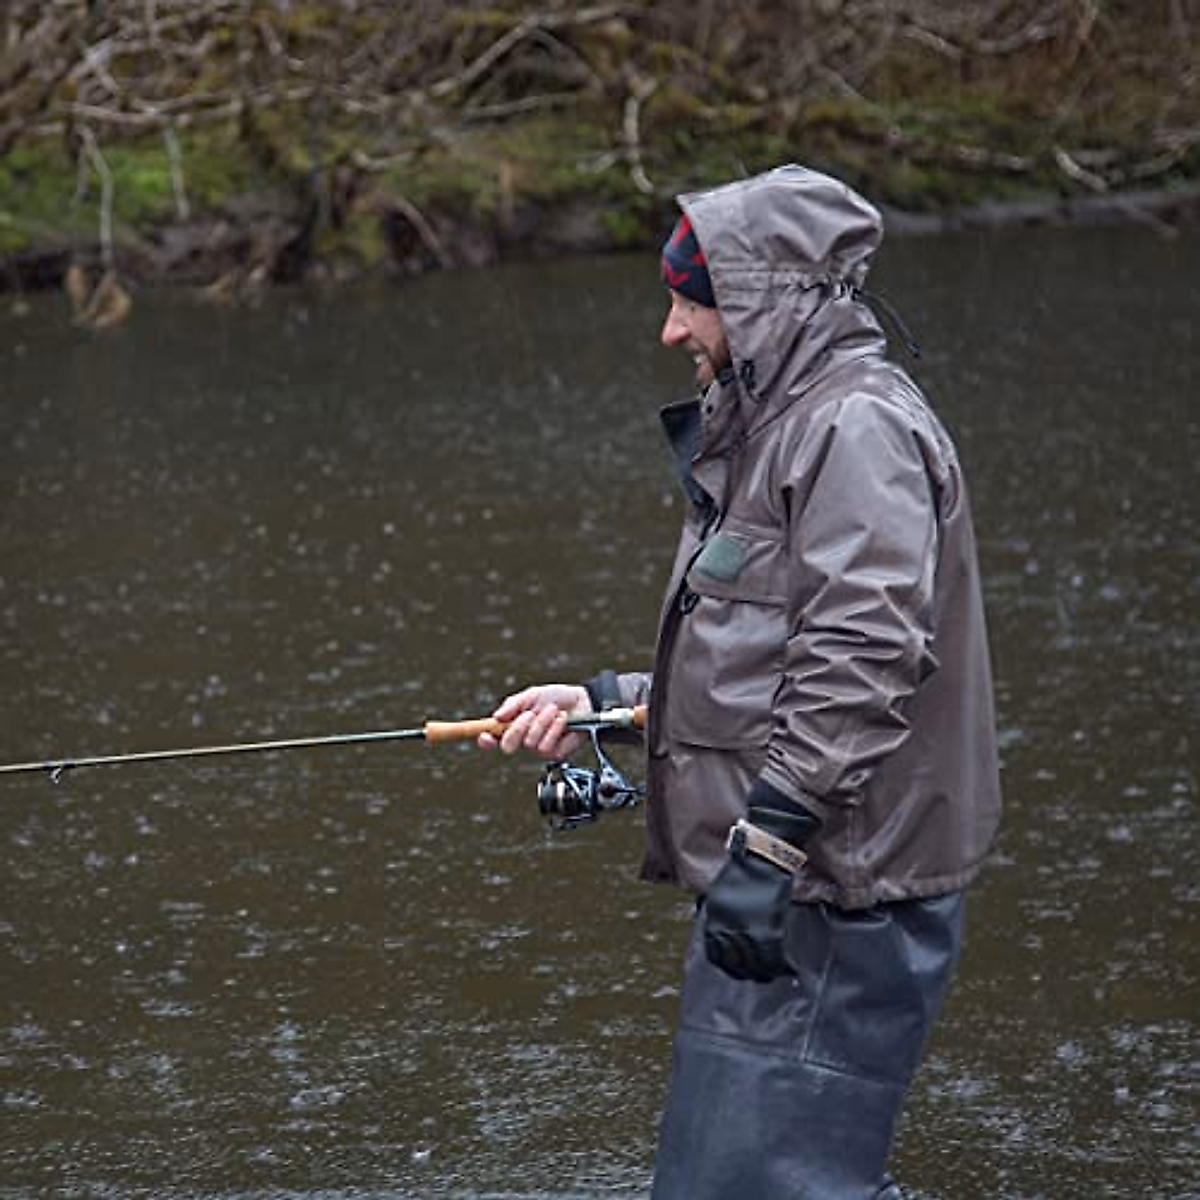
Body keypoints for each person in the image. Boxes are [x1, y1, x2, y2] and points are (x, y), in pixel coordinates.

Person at [479, 164, 1001, 1199]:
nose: (672, 330)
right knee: (737, 1181)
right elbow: (770, 655)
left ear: (770, 302)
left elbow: (862, 657)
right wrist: (605, 708)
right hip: (784, 877)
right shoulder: (778, 422)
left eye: (691, 300)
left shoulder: (853, 428)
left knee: (765, 1184)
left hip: (840, 886)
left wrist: (764, 844)